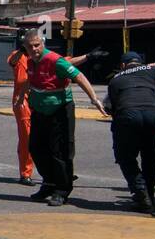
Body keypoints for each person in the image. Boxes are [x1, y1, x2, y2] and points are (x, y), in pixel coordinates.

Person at [12, 30, 107, 206]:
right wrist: (20, 97)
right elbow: (28, 80)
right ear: (25, 47)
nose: (34, 49)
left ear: (42, 44)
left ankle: (62, 190)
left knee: (60, 151)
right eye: (30, 46)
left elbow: (78, 76)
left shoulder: (55, 60)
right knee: (36, 147)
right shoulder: (30, 62)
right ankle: (48, 184)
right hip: (40, 111)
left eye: (37, 45)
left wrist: (94, 99)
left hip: (60, 110)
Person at [107, 51, 155, 214]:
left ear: (122, 65)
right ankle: (149, 194)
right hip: (153, 113)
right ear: (140, 62)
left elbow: (111, 107)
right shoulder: (153, 69)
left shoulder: (115, 78)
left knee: (125, 156)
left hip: (128, 115)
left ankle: (141, 192)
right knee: (150, 155)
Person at [6, 45, 35, 186]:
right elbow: (12, 61)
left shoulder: (41, 56)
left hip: (39, 98)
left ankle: (59, 172)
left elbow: (64, 62)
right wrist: (22, 51)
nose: (34, 47)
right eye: (31, 44)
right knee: (27, 136)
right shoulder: (18, 55)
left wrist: (87, 57)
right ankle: (25, 173)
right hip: (21, 101)